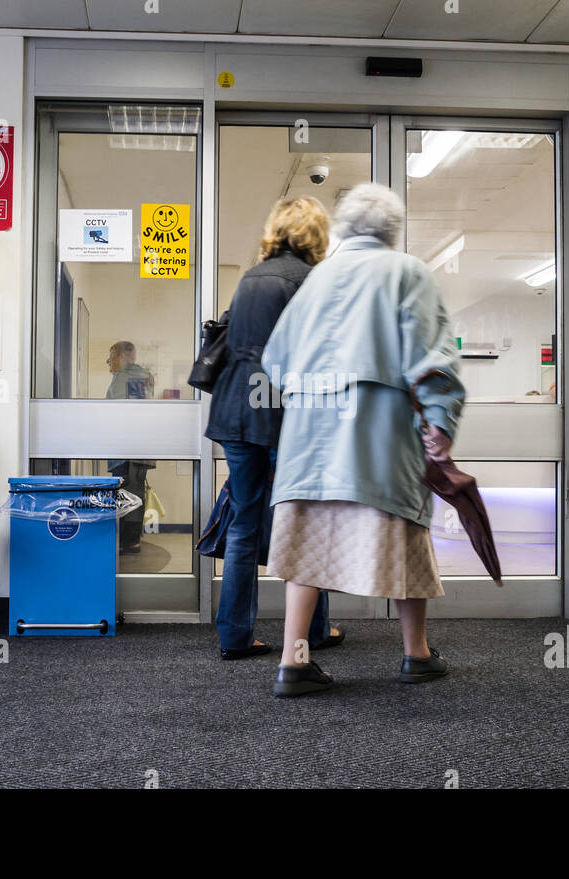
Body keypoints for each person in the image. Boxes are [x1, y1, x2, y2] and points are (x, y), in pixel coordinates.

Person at [261, 183, 465, 697]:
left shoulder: (315, 278)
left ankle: (294, 660)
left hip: (309, 438)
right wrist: (439, 421)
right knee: (405, 535)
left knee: (304, 540)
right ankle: (416, 654)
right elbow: (431, 355)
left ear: (344, 229)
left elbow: (275, 362)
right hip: (379, 433)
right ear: (393, 230)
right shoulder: (407, 272)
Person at [204, 197, 342, 660]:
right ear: (316, 234)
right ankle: (313, 632)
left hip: (235, 413)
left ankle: (235, 636)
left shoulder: (250, 278)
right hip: (285, 415)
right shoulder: (312, 281)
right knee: (305, 521)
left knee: (245, 524)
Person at [105, 341, 155, 554]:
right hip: (131, 447)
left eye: (111, 357)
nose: (108, 362)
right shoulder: (131, 376)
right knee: (130, 491)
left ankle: (129, 541)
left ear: (123, 357)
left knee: (129, 493)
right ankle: (129, 539)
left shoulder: (130, 376)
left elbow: (130, 412)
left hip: (129, 449)